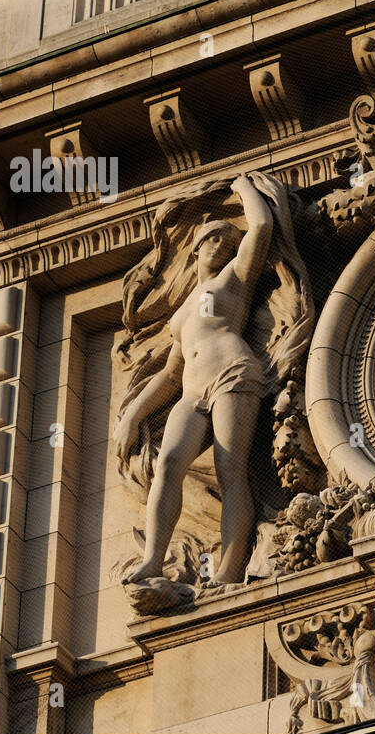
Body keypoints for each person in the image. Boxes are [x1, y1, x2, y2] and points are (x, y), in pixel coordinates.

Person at [114, 171, 274, 586]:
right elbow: (171, 373)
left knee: (230, 468)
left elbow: (260, 226)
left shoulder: (234, 279)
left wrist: (243, 188)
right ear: (198, 247)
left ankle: (229, 570)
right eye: (217, 237)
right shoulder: (183, 311)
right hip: (192, 390)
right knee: (167, 464)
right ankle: (152, 560)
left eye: (229, 239)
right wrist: (133, 415)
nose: (226, 243)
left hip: (232, 374)